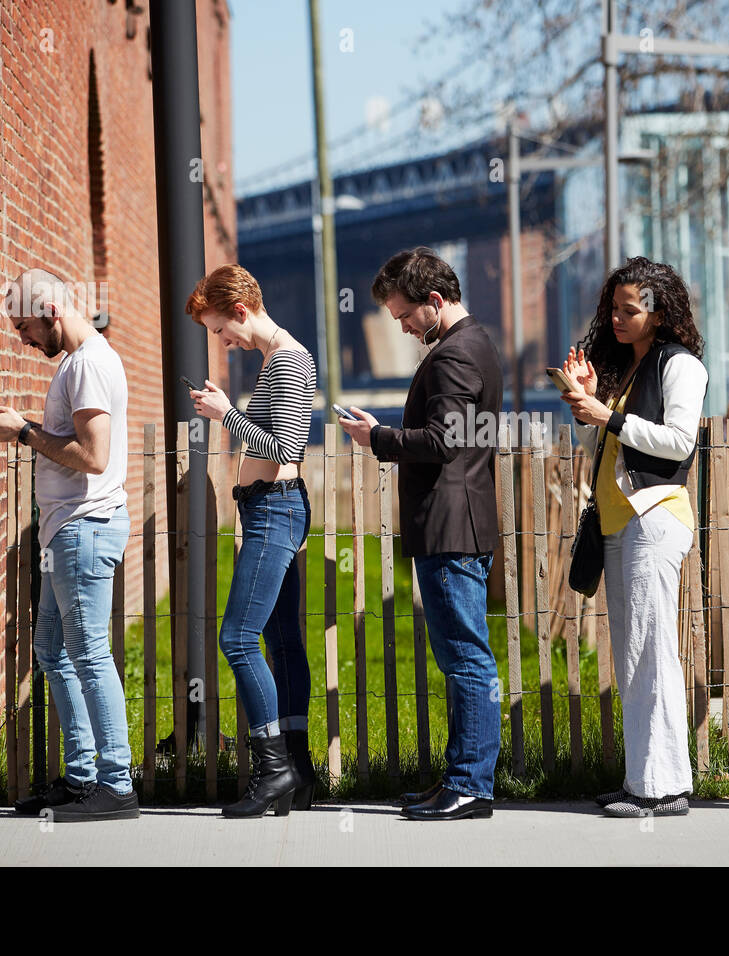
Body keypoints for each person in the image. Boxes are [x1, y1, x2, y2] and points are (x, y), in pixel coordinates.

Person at [340, 246, 503, 821]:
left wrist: (378, 438)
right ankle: (461, 779)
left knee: (466, 660)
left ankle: (471, 785)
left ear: (434, 301)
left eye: (405, 316)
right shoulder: (473, 343)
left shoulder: (454, 355)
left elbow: (445, 441)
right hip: (458, 524)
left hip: (450, 527)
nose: (404, 328)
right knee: (462, 657)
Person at [0, 269, 137, 821]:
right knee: (51, 650)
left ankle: (116, 786)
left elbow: (92, 457)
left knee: (90, 655)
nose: (22, 340)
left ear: (50, 311)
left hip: (83, 529)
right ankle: (81, 777)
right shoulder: (80, 361)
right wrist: (22, 421)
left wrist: (22, 434)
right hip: (66, 533)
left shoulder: (89, 362)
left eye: (24, 327)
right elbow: (75, 439)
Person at [560, 256, 708, 818]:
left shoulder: (681, 365)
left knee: (651, 653)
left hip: (655, 519)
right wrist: (592, 398)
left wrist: (608, 416)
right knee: (633, 654)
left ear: (660, 313)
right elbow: (617, 438)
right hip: (621, 524)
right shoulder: (632, 368)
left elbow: (677, 443)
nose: (617, 319)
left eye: (630, 310)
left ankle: (660, 788)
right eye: (613, 309)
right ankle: (645, 779)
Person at [185, 265, 318, 818]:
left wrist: (226, 415)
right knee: (283, 640)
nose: (224, 342)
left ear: (239, 310)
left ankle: (274, 771)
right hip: (270, 510)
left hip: (274, 511)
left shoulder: (286, 358)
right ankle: (298, 771)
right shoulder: (276, 359)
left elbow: (283, 449)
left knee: (238, 640)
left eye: (220, 330)